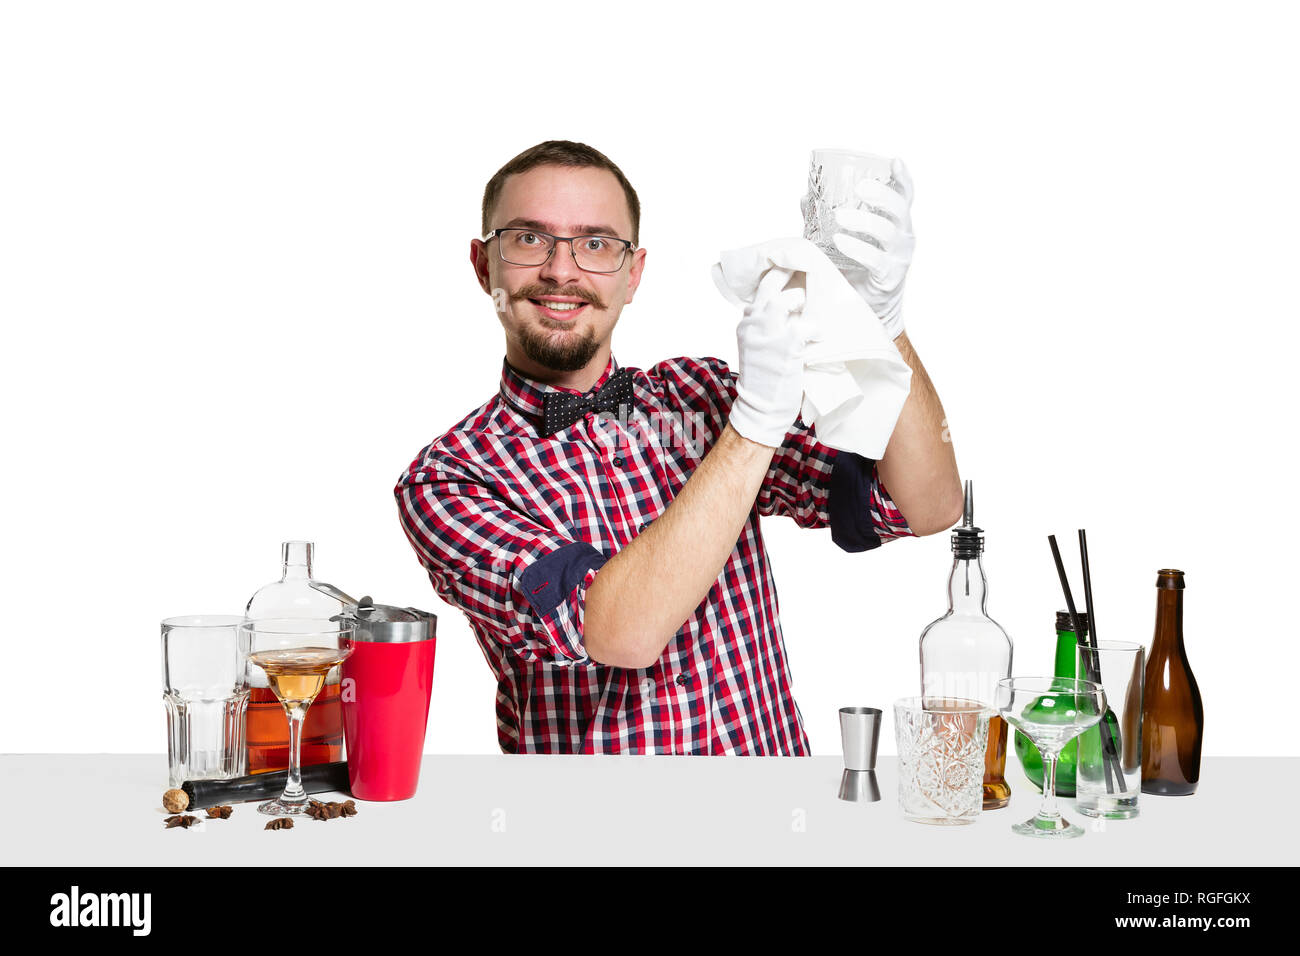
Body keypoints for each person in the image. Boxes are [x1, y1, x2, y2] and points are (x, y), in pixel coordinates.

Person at [394, 140, 962, 754]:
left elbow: (924, 506)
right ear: (485, 266)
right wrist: (752, 429)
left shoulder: (700, 395)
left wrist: (883, 326)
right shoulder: (448, 480)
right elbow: (620, 633)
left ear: (633, 273)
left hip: (781, 825)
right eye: (530, 239)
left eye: (595, 243)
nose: (563, 271)